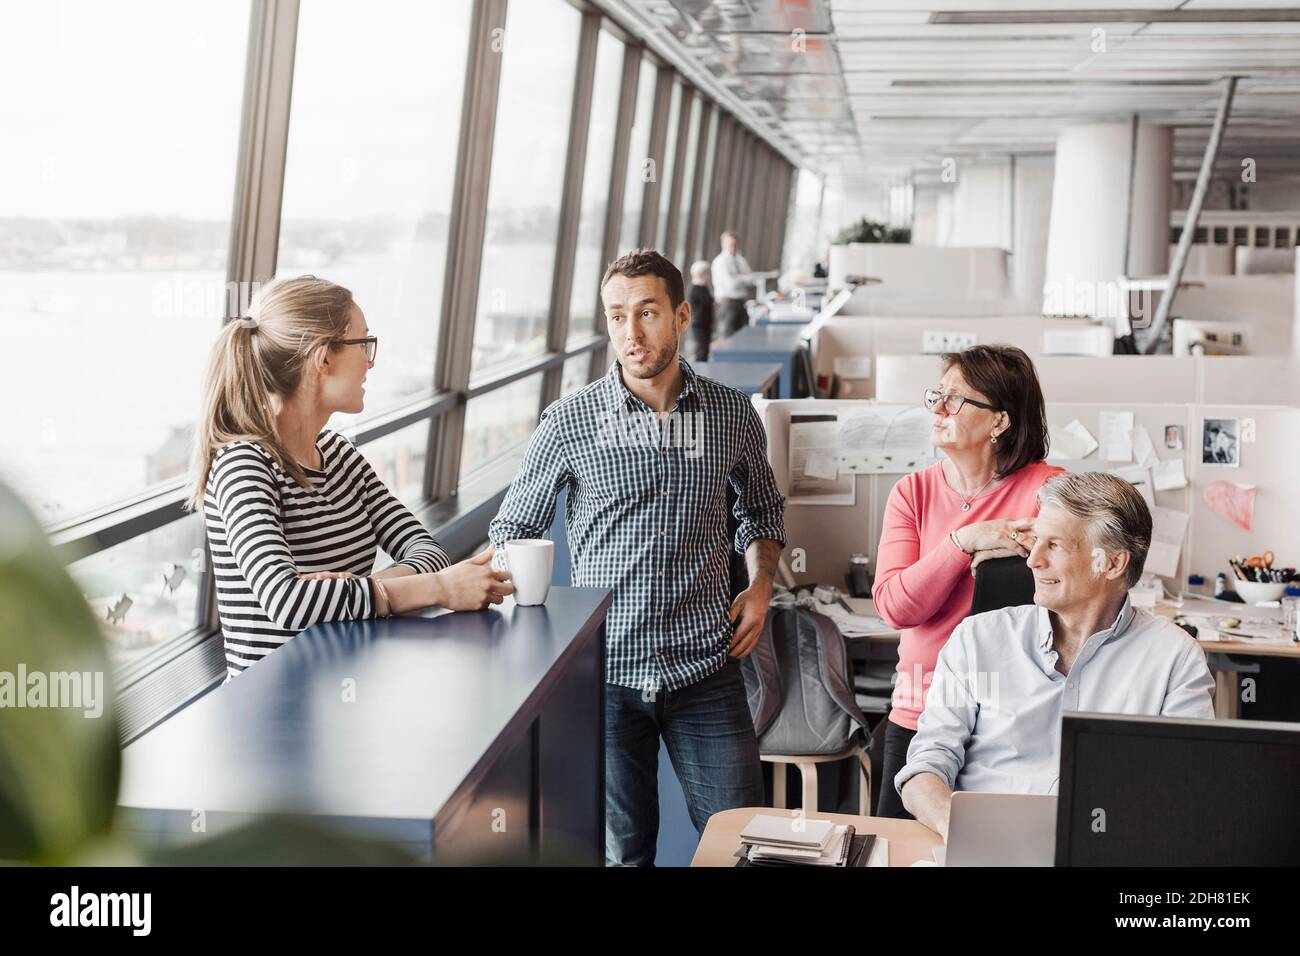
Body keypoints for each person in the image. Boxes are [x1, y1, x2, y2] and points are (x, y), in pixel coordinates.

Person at [489, 249, 786, 866]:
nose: (631, 332)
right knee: (625, 857)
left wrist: (759, 585)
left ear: (681, 316)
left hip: (706, 666)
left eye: (647, 312)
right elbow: (513, 527)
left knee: (741, 848)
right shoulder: (569, 422)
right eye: (617, 315)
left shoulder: (731, 414)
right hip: (604, 675)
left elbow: (760, 511)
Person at [187, 275, 513, 680]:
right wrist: (435, 589)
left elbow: (429, 553)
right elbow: (287, 603)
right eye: (364, 344)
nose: (370, 361)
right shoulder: (244, 467)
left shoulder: (340, 456)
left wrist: (359, 591)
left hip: (349, 691)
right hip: (274, 717)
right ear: (323, 358)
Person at [896, 472, 1215, 841]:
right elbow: (924, 769)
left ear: (1112, 564)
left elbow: (1189, 791)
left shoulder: (1175, 659)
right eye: (1036, 542)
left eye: (1055, 545)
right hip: (983, 849)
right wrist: (963, 830)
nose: (1032, 560)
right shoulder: (976, 639)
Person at [872, 344, 1064, 819]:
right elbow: (896, 606)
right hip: (919, 711)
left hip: (1013, 721)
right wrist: (964, 543)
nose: (937, 408)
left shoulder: (1049, 491)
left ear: (999, 421)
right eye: (937, 395)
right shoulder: (911, 493)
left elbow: (1068, 596)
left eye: (956, 399)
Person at [710, 230, 752, 338]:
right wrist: (743, 278)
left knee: (744, 334)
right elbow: (731, 284)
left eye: (735, 244)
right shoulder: (720, 262)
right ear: (723, 244)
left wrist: (740, 279)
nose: (733, 247)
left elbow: (751, 279)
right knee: (728, 336)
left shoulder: (740, 260)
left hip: (741, 302)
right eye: (730, 244)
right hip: (728, 303)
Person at [685, 260, 715, 362]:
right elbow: (704, 304)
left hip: (706, 322)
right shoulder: (694, 289)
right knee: (701, 350)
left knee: (705, 350)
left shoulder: (703, 288)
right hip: (698, 324)